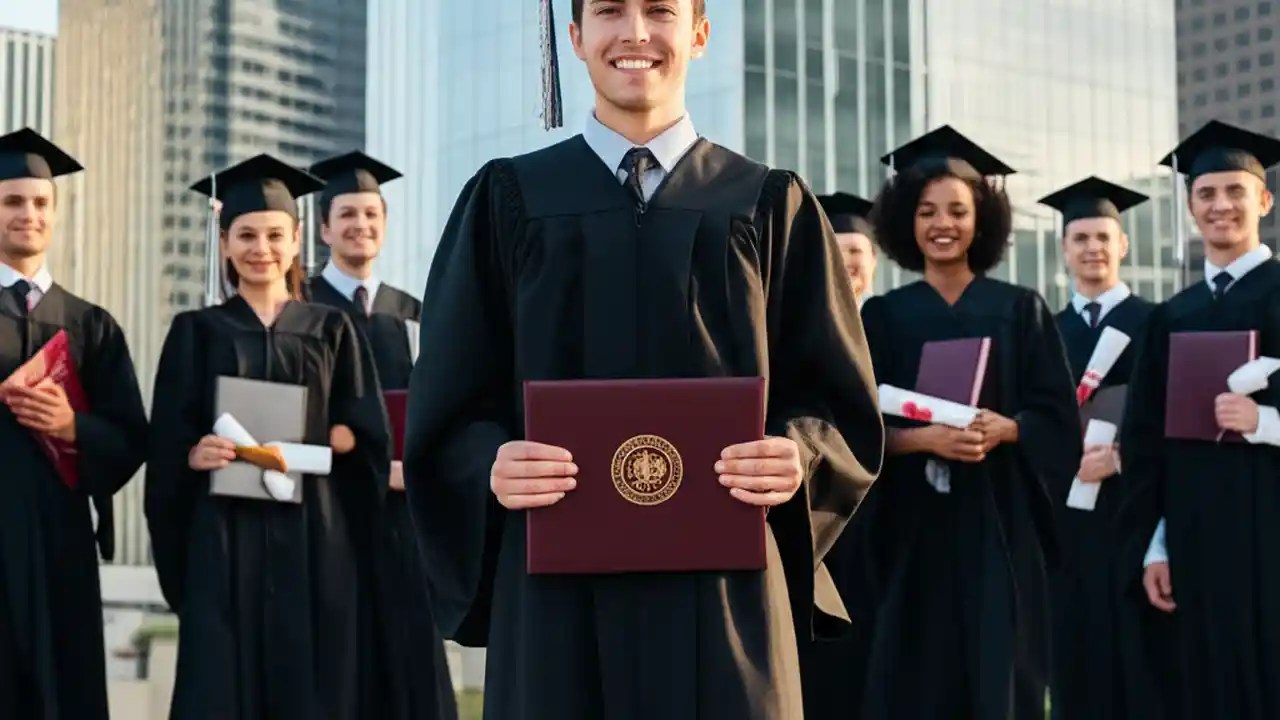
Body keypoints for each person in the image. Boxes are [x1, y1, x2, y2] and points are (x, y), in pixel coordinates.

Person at [402, 0, 884, 716]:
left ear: (698, 33)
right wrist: (489, 464)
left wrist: (797, 454)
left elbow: (837, 401)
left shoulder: (768, 204)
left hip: (725, 593)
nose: (634, 33)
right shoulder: (507, 201)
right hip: (555, 597)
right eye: (608, 12)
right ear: (574, 37)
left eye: (659, 11)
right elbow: (449, 403)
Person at [145, 154, 391, 720]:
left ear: (298, 238)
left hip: (313, 535)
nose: (262, 248)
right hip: (223, 539)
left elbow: (368, 432)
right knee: (220, 685)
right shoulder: (195, 333)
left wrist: (334, 440)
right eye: (247, 235)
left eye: (275, 234)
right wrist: (194, 452)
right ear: (224, 242)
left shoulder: (332, 329)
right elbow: (166, 447)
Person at [852, 125, 1081, 720]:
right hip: (910, 531)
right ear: (907, 221)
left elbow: (1057, 419)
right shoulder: (884, 316)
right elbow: (853, 427)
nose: (942, 223)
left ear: (983, 220)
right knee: (914, 673)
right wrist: (918, 439)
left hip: (999, 525)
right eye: (927, 211)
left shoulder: (1018, 308)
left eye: (958, 209)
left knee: (1001, 672)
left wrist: (1006, 429)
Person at [1116, 119, 1280, 720]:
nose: (1221, 206)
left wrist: (1265, 422)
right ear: (1190, 206)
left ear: (1264, 199)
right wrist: (1155, 546)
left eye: (1235, 191)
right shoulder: (1170, 317)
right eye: (1206, 194)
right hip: (1195, 542)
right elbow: (1145, 444)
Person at [0, 127, 148, 720]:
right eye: (12, 200)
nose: (27, 214)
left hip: (61, 539)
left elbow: (133, 438)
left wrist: (72, 428)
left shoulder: (92, 325)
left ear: (55, 213)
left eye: (40, 202)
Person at [304, 150, 458, 720]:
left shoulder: (413, 313)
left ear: (385, 224)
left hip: (402, 514)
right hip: (327, 509)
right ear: (323, 227)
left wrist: (414, 469)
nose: (360, 225)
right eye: (347, 215)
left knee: (410, 652)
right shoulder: (302, 310)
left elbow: (440, 409)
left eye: (371, 214)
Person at [1038, 176, 1155, 720]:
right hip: (1067, 520)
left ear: (1123, 245)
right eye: (1080, 238)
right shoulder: (1044, 330)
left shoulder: (1157, 323)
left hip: (1133, 513)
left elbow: (1169, 418)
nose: (1092, 248)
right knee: (1071, 655)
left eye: (1103, 237)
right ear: (1064, 247)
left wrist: (1125, 456)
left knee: (1139, 655)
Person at [818, 192, 879, 306]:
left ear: (873, 259)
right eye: (832, 252)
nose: (843, 261)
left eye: (854, 251)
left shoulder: (891, 320)